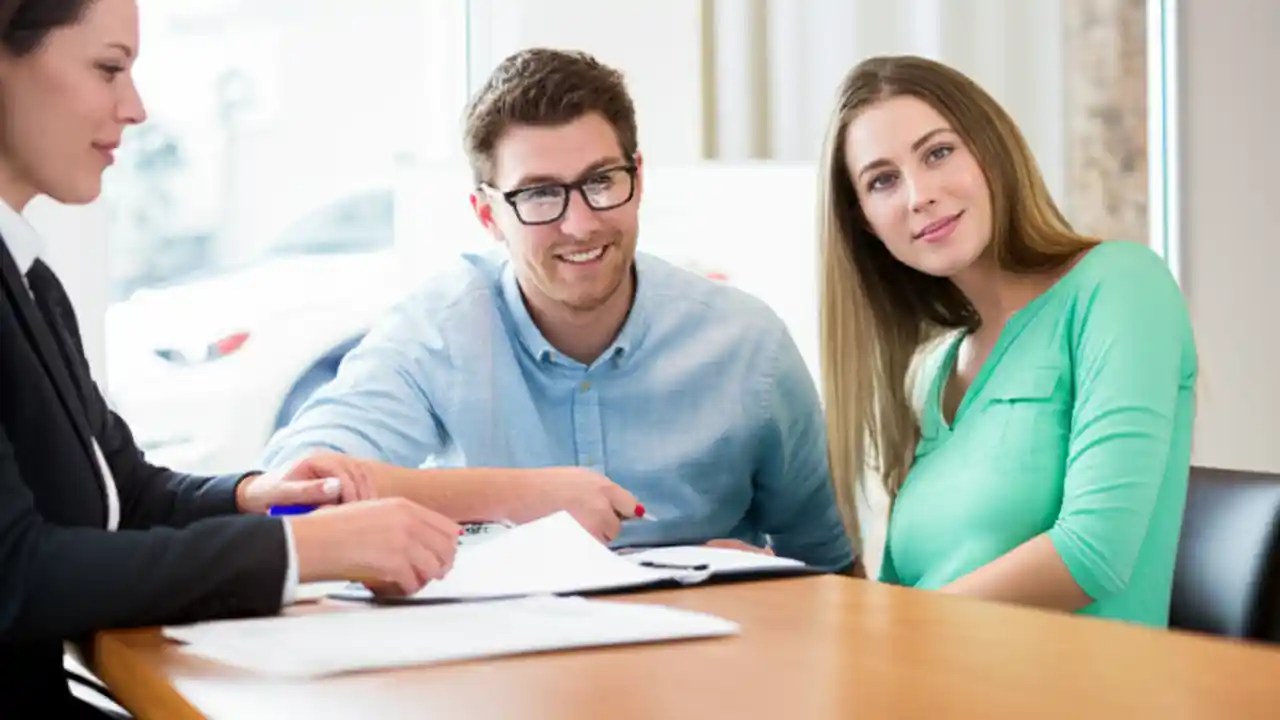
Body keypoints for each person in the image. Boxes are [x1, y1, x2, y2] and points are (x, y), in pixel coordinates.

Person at [0, 1, 459, 714]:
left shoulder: (27, 276)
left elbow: (123, 489)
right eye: (108, 68)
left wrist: (257, 498)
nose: (136, 107)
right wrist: (311, 552)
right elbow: (17, 574)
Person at [261, 48, 855, 571]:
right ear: (487, 214)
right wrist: (518, 496)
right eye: (540, 195)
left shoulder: (749, 346)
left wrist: (762, 583)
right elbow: (294, 491)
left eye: (601, 181)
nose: (580, 223)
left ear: (639, 178)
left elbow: (829, 564)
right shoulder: (436, 334)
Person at [816, 55, 1196, 626]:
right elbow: (901, 592)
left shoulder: (1118, 285)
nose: (919, 195)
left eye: (938, 152)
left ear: (990, 150)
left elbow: (1094, 554)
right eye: (883, 180)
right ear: (865, 221)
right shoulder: (930, 370)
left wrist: (894, 629)